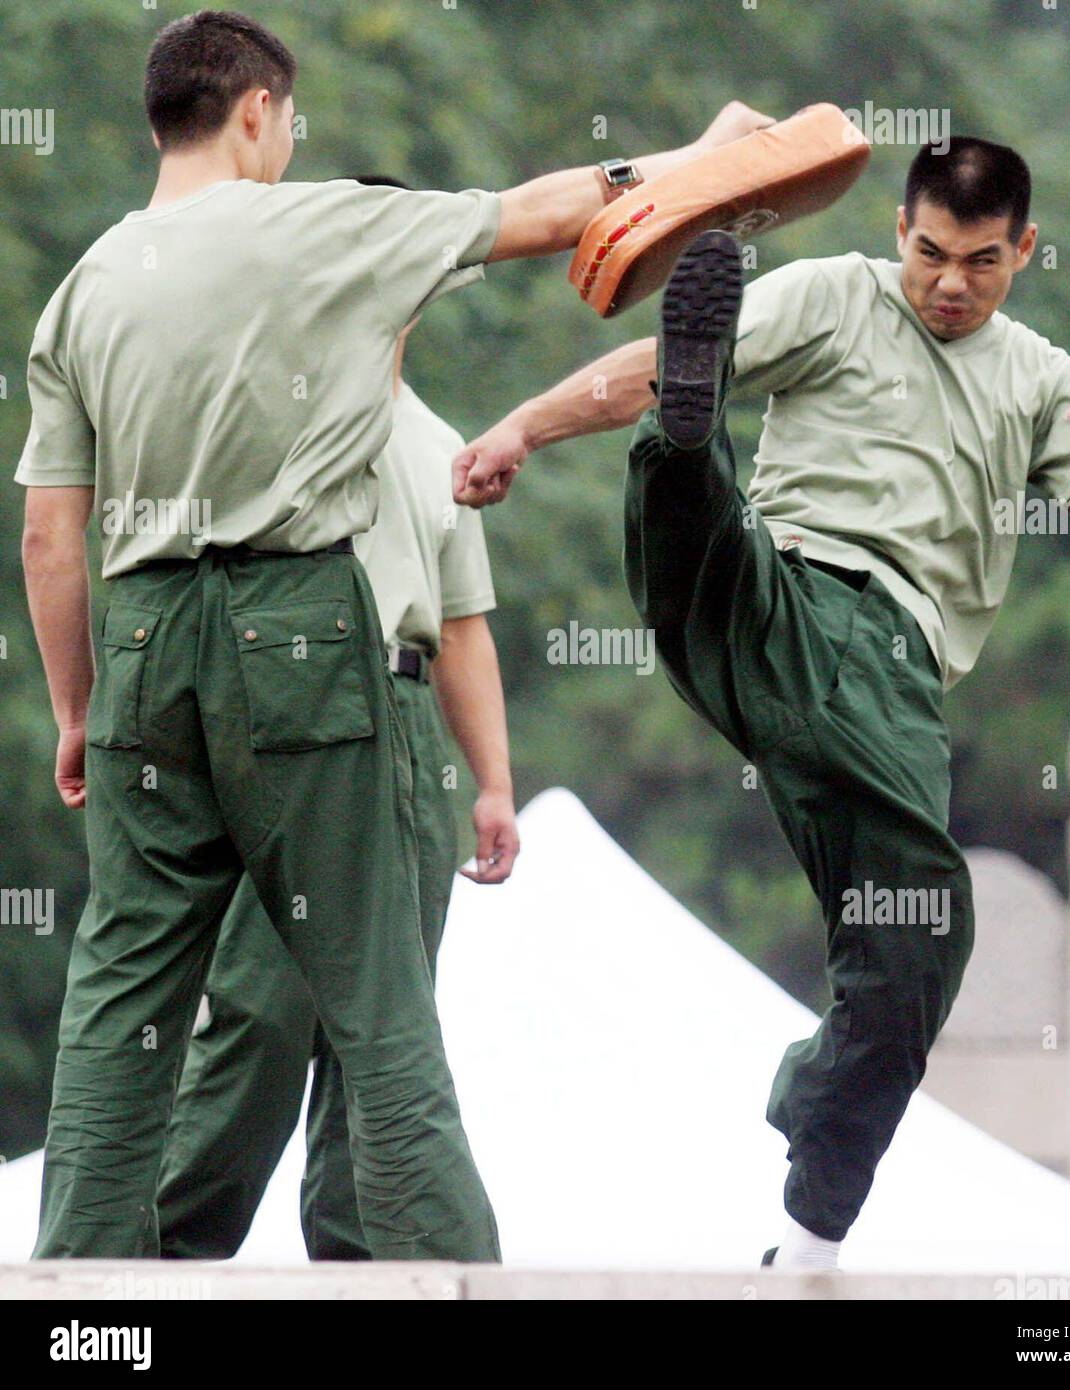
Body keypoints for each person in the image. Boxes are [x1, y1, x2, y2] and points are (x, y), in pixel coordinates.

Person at [17, 7, 772, 1260]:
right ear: (257, 110)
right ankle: (449, 1291)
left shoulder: (85, 288)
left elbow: (53, 538)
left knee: (121, 1004)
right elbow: (543, 213)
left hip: (142, 640)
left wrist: (76, 707)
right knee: (375, 1002)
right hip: (293, 639)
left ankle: (82, 1311)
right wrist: (701, 159)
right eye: (290, 120)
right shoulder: (316, 224)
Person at [452, 138, 1070, 1268]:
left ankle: (806, 1235)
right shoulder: (837, 297)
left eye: (982, 264)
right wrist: (519, 427)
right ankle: (690, 442)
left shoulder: (1043, 378)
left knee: (920, 942)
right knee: (690, 474)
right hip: (774, 589)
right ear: (900, 230)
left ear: (1024, 252)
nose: (950, 284)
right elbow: (645, 359)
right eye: (931, 254)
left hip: (885, 677)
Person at [150, 172, 517, 1260]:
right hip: (300, 715)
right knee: (261, 1016)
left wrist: (491, 780)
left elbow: (460, 627)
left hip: (406, 726)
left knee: (387, 1031)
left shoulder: (436, 436)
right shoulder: (272, 416)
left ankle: (369, 1268)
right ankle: (148, 1262)